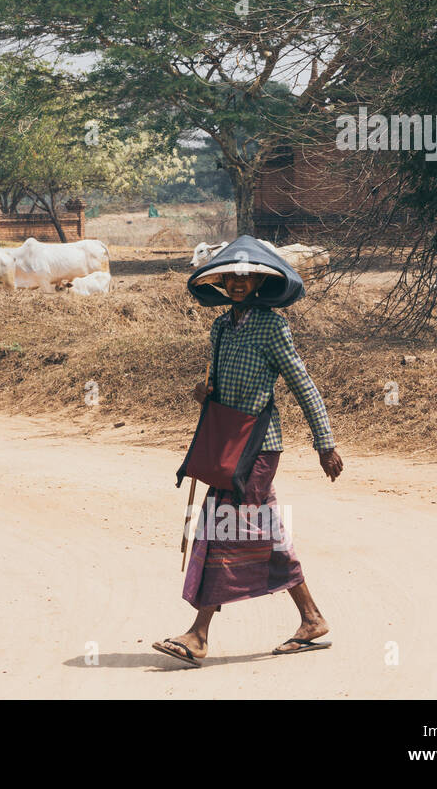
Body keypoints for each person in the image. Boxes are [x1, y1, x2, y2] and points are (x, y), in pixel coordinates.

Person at [154, 259, 344, 668]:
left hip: (259, 447)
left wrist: (324, 443)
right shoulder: (221, 328)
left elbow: (302, 384)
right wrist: (202, 390)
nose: (238, 283)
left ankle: (198, 634)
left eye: (247, 276)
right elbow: (216, 387)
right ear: (221, 281)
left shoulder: (272, 326)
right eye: (231, 277)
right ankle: (311, 618)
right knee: (264, 530)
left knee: (223, 526)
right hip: (226, 446)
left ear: (260, 281)